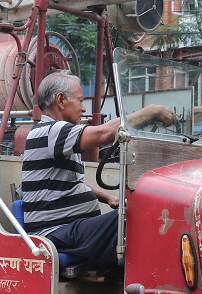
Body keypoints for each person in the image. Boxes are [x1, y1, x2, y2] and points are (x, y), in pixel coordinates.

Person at [22, 71, 176, 264]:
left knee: (127, 219)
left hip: (70, 229)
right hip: (54, 233)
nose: (83, 108)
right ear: (61, 100)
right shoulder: (52, 131)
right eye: (80, 101)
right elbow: (104, 134)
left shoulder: (56, 136)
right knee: (132, 218)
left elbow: (75, 182)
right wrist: (151, 112)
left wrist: (108, 198)